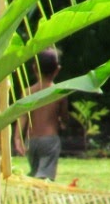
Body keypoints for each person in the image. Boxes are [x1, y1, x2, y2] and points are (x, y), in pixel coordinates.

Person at [14, 47, 69, 181]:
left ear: (34, 68)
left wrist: (17, 138)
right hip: (50, 140)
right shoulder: (59, 93)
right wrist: (63, 124)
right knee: (45, 175)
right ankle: (40, 194)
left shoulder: (28, 92)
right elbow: (64, 116)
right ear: (57, 70)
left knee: (35, 170)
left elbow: (22, 117)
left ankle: (35, 190)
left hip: (31, 141)